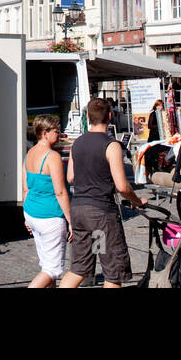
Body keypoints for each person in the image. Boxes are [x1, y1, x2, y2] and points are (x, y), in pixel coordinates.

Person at [58, 98, 148, 289]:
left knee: (79, 269)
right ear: (110, 116)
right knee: (112, 271)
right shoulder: (111, 145)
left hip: (79, 210)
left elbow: (71, 177)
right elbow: (122, 186)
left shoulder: (77, 143)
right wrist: (137, 201)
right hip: (101, 213)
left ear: (88, 117)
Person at [23, 114, 72, 288]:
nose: (59, 134)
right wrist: (70, 220)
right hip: (50, 216)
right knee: (52, 269)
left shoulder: (29, 153)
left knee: (46, 264)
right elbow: (60, 192)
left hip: (31, 212)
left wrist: (25, 216)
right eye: (56, 131)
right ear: (45, 133)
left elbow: (26, 188)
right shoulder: (52, 157)